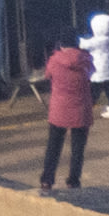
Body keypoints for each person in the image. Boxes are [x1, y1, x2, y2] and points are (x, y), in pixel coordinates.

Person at [39, 33, 95, 191]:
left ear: (61, 44)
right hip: (81, 108)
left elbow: (47, 75)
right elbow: (91, 75)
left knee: (54, 146)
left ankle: (47, 180)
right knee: (78, 148)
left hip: (59, 108)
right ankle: (73, 180)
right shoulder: (86, 60)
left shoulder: (55, 60)